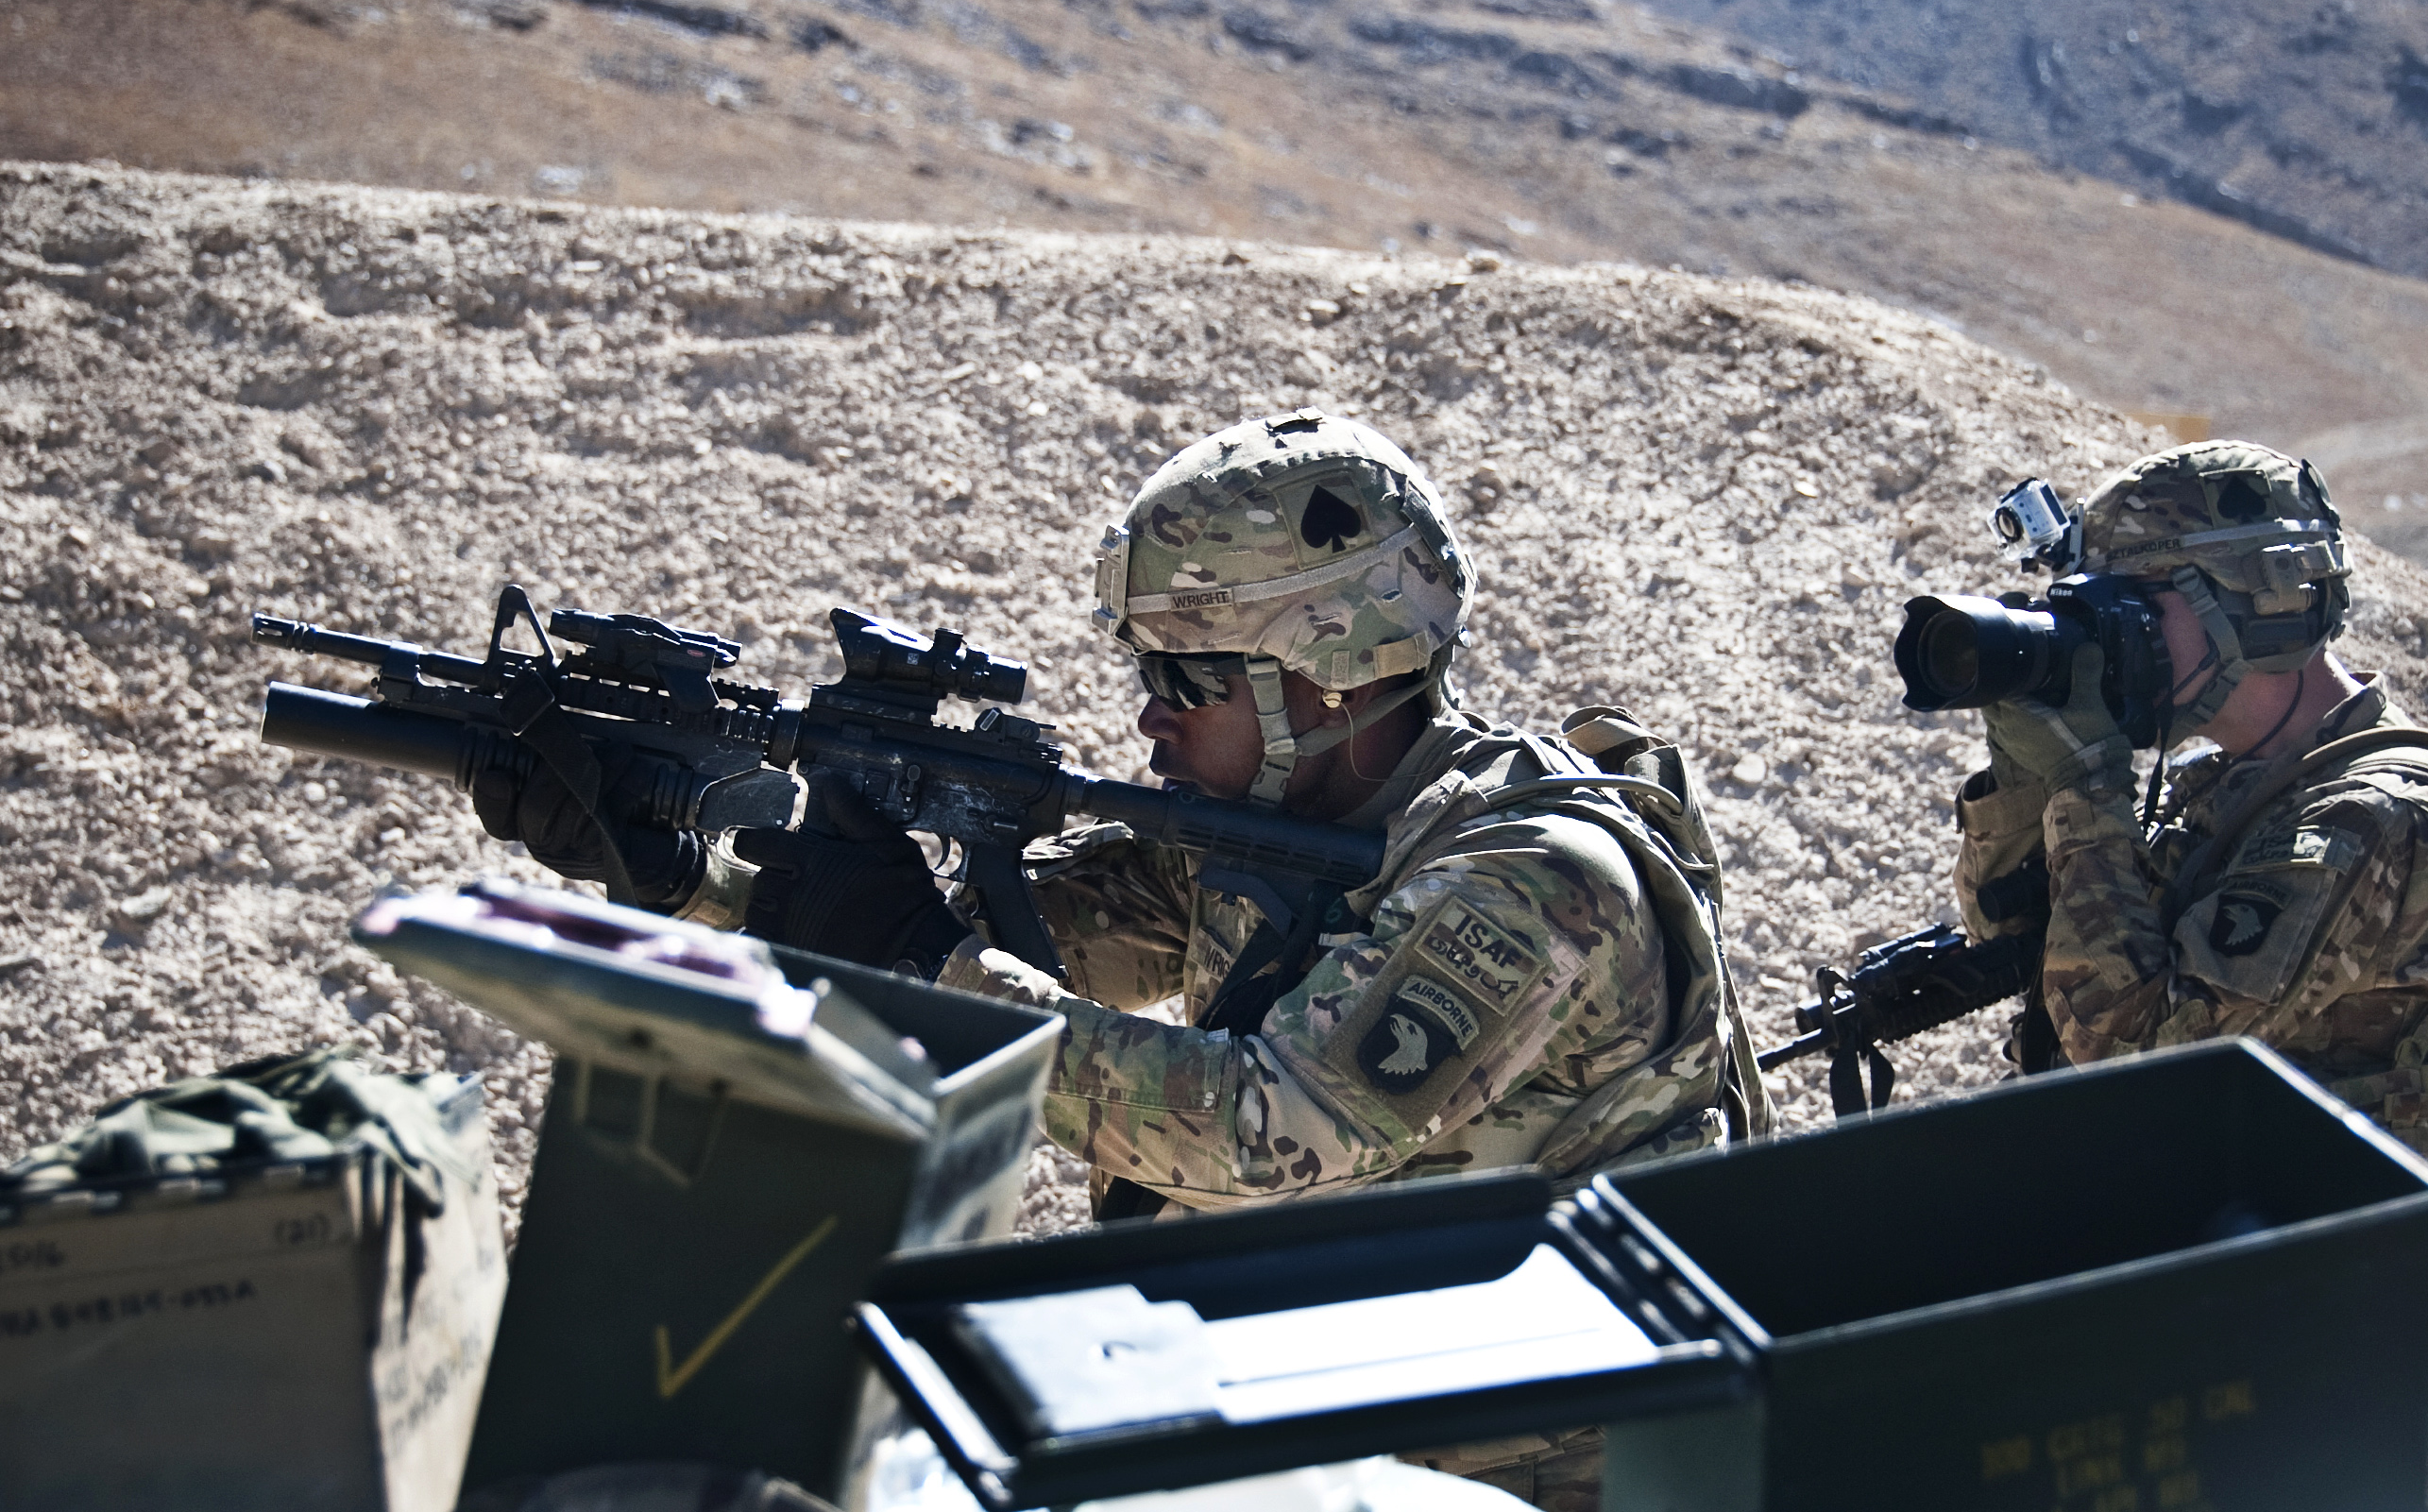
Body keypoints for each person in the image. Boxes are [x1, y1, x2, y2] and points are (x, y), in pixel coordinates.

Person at [478, 408, 1774, 1511]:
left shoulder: (1532, 879)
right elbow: (1022, 942)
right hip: (1342, 1403)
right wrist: (691, 869)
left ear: (1318, 680)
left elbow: (1265, 1126)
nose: (1146, 710)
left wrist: (931, 967)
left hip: (1529, 1470)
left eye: (1182, 675)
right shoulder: (1281, 833)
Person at [1953, 440, 2428, 1147]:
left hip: (2320, 1239)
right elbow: (2029, 937)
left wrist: (2085, 787)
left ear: (2255, 601)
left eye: (2133, 605)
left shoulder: (2361, 819)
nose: (2108, 638)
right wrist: (2027, 774)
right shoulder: (2235, 784)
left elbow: (2142, 1058)